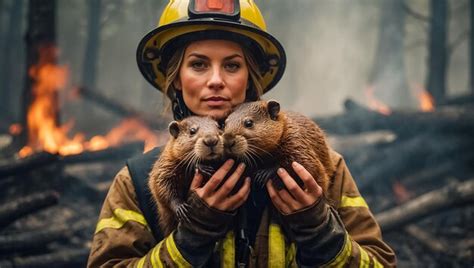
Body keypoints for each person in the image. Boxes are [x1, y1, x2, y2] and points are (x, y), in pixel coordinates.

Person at [87, 0, 397, 267]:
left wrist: (321, 232)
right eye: (198, 65)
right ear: (176, 78)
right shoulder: (137, 182)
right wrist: (189, 240)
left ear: (250, 78)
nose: (216, 81)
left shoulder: (320, 167)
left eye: (232, 66)